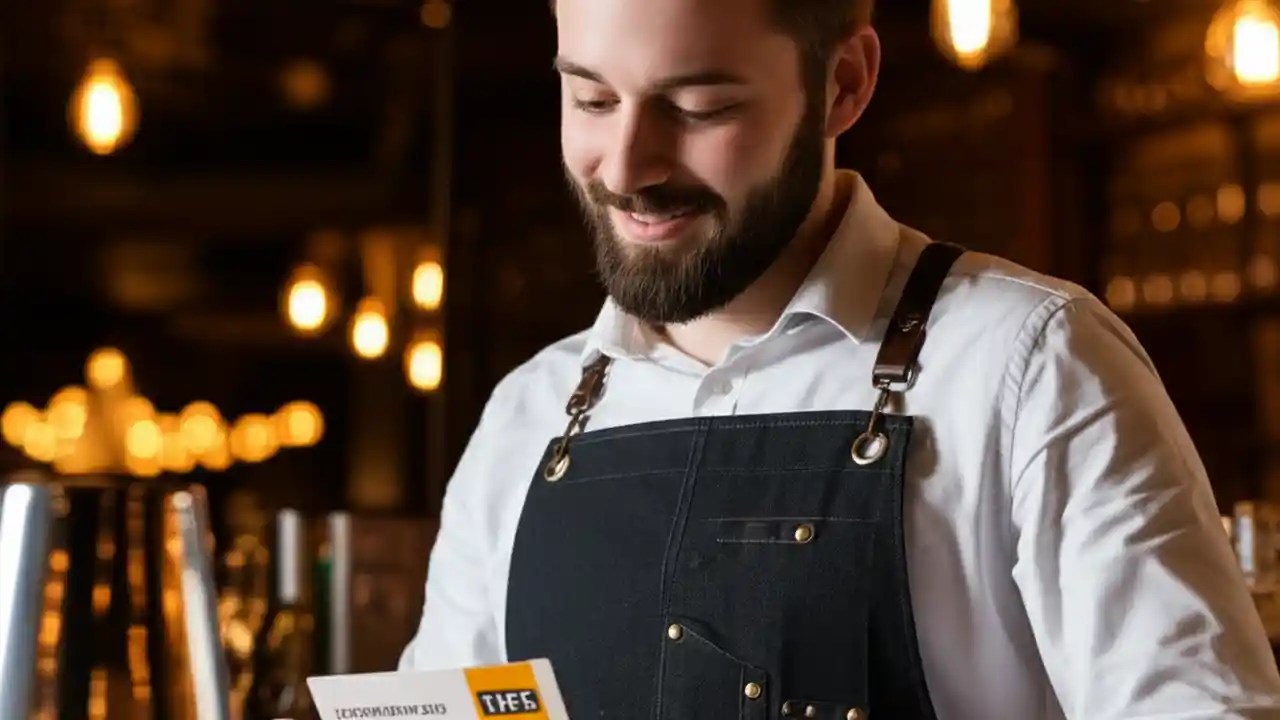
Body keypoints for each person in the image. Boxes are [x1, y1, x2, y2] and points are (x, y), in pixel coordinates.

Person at [399, 0, 1280, 716]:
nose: (627, 167)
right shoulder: (528, 414)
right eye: (592, 101)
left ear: (843, 85)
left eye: (698, 108)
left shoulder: (1032, 364)